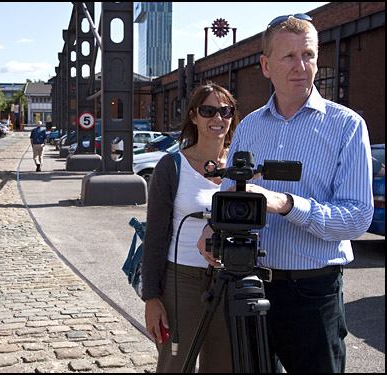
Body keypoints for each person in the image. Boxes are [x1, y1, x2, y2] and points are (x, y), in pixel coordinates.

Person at [197, 14, 374, 373]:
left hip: (312, 293)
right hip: (247, 284)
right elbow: (232, 193)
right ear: (265, 65)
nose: (301, 66)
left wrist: (289, 205)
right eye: (289, 57)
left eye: (308, 55)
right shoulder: (249, 127)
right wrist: (211, 226)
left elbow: (358, 217)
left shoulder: (347, 126)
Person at [142, 82, 239, 372]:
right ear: (193, 117)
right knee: (175, 364)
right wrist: (151, 298)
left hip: (229, 281)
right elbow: (155, 237)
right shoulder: (172, 166)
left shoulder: (242, 165)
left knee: (222, 366)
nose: (217, 118)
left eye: (225, 111)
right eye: (208, 110)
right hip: (180, 281)